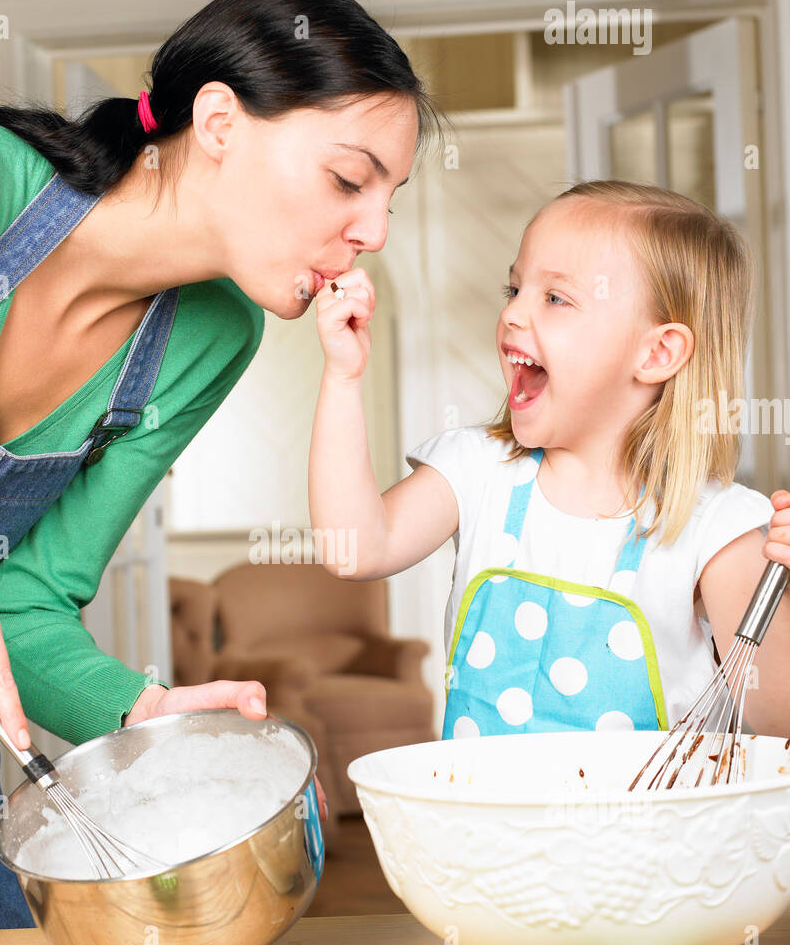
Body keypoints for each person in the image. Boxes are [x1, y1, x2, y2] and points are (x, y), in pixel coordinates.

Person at [0, 0, 440, 926]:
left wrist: (135, 713)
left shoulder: (210, 337)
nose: (373, 232)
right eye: (348, 180)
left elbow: (25, 603)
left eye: (388, 198)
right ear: (220, 122)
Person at [309, 180, 790, 741]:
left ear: (657, 353)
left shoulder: (716, 527)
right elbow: (354, 548)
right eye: (513, 289)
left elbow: (775, 718)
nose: (513, 313)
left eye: (555, 298)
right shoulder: (478, 470)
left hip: (644, 831)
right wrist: (344, 377)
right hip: (482, 824)